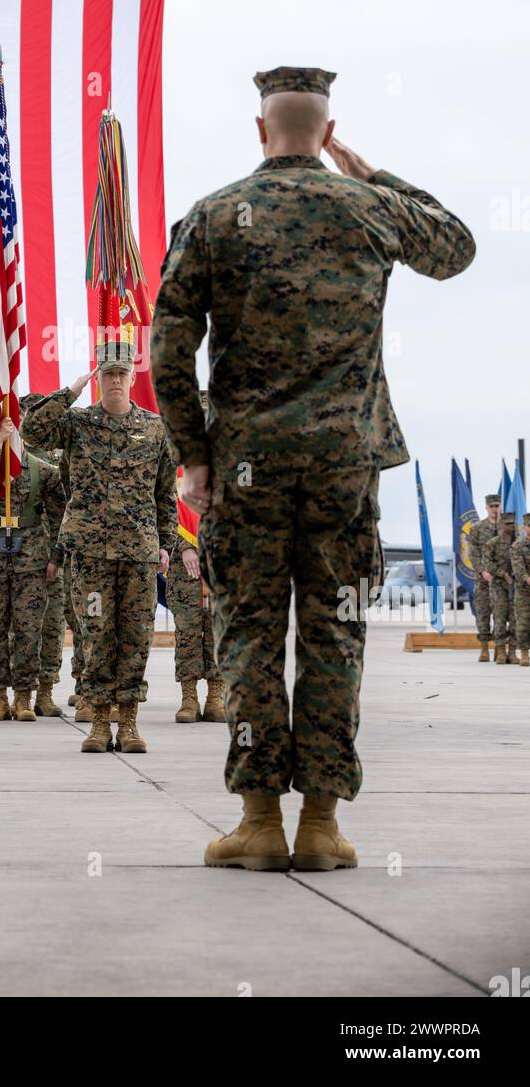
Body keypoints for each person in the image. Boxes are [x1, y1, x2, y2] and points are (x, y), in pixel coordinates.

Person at [151, 64, 475, 871]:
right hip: (343, 466)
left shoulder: (215, 214)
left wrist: (193, 455)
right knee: (335, 631)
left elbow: (167, 347)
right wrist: (372, 173)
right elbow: (456, 248)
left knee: (250, 633)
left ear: (259, 130)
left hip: (244, 465)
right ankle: (321, 826)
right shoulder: (369, 208)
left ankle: (259, 823)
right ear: (328, 135)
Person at [25, 341, 177, 754]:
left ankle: (127, 723)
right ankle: (98, 721)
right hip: (90, 552)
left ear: (131, 377)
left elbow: (165, 494)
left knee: (135, 636)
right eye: (106, 373)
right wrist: (69, 393)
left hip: (139, 553)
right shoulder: (77, 423)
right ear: (99, 377)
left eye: (120, 374)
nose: (114, 380)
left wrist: (166, 544)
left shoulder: (155, 429)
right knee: (95, 635)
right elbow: (31, 431)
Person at [0, 412, 66, 720]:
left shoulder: (42, 470)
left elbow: (60, 515)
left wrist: (55, 557)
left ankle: (24, 695)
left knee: (28, 630)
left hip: (31, 558)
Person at [167, 390, 223, 723]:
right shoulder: (174, 461)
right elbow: (163, 507)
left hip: (218, 559)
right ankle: (189, 698)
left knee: (217, 627)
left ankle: (216, 697)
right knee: (187, 629)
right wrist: (185, 546)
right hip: (182, 558)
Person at [19, 392, 71, 717]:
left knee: (55, 623)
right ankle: (22, 690)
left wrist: (60, 552)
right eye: (28, 413)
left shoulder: (62, 451)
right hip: (22, 553)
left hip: (58, 550)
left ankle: (48, 689)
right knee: (22, 625)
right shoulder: (13, 453)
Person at [467, 495, 500, 661]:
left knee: (503, 615)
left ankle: (501, 650)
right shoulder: (478, 528)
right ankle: (485, 649)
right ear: (486, 508)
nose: (495, 509)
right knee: (483, 614)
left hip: (503, 580)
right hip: (483, 580)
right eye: (492, 506)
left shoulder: (509, 528)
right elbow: (472, 553)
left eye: (497, 505)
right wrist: (482, 571)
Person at [482, 512, 516, 664]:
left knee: (516, 620)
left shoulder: (519, 543)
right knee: (500, 619)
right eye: (507, 523)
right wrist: (502, 574)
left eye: (512, 523)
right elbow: (487, 563)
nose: (510, 526)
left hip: (516, 588)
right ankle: (501, 651)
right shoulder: (492, 543)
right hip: (498, 587)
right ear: (501, 525)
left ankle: (513, 652)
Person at [509, 513, 530, 667]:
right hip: (524, 591)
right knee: (522, 623)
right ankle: (524, 653)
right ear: (525, 527)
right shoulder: (518, 546)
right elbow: (519, 569)